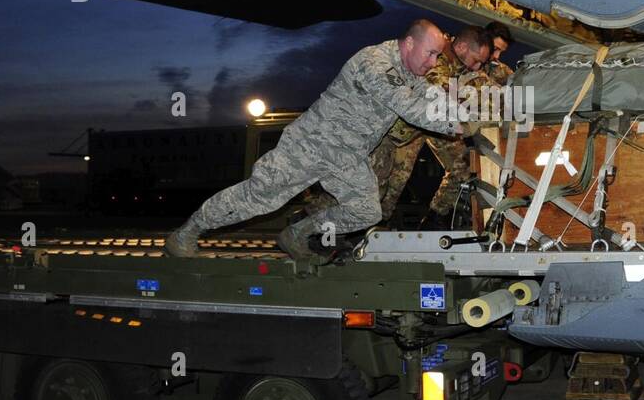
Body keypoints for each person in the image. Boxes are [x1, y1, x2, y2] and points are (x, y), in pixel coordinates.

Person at [164, 19, 463, 261]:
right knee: (258, 197)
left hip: (347, 157)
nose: (434, 62)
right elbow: (409, 106)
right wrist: (458, 124)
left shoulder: (408, 71)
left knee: (366, 211)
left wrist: (462, 106)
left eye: (438, 55)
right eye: (431, 53)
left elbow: (428, 95)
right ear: (409, 43)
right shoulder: (374, 61)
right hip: (311, 145)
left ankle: (298, 233)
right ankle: (188, 231)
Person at [375, 25, 492, 229]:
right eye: (476, 60)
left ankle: (435, 219)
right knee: (390, 186)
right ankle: (364, 230)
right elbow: (437, 91)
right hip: (405, 127)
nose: (476, 67)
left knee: (463, 164)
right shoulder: (437, 58)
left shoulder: (464, 64)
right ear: (462, 47)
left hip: (434, 124)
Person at [483, 21, 515, 86]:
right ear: (484, 40)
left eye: (501, 52)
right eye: (495, 49)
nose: (497, 56)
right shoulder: (462, 59)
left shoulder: (502, 70)